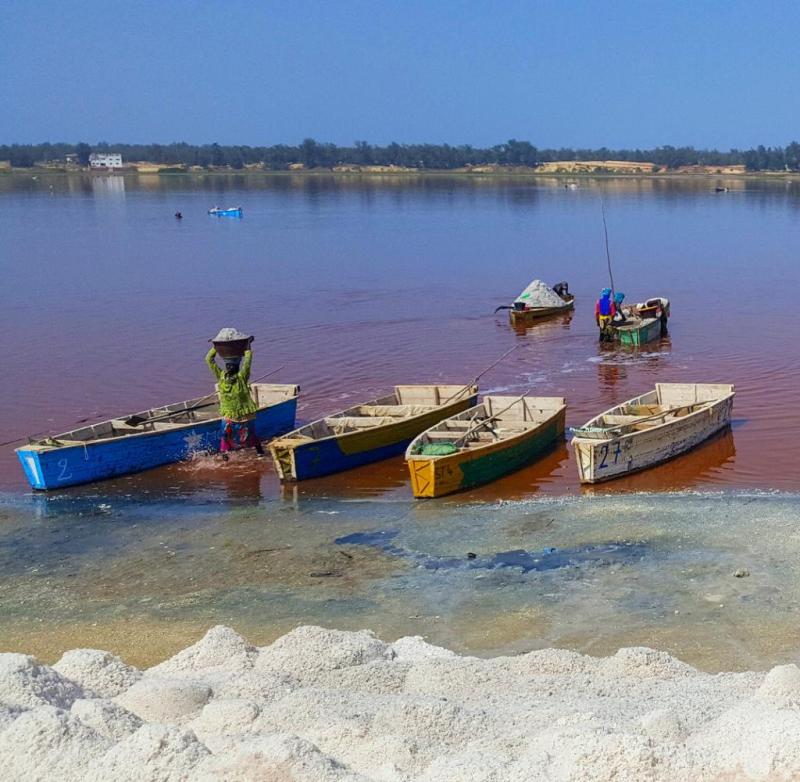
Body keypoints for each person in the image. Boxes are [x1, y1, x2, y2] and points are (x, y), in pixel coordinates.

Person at [205, 339, 264, 459]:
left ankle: (260, 452)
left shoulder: (242, 378)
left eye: (232, 366)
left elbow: (247, 362)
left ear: (237, 367)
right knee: (225, 434)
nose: (229, 368)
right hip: (229, 413)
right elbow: (209, 360)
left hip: (245, 412)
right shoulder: (221, 377)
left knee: (251, 434)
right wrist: (216, 346)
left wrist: (248, 345)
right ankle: (225, 456)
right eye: (228, 366)